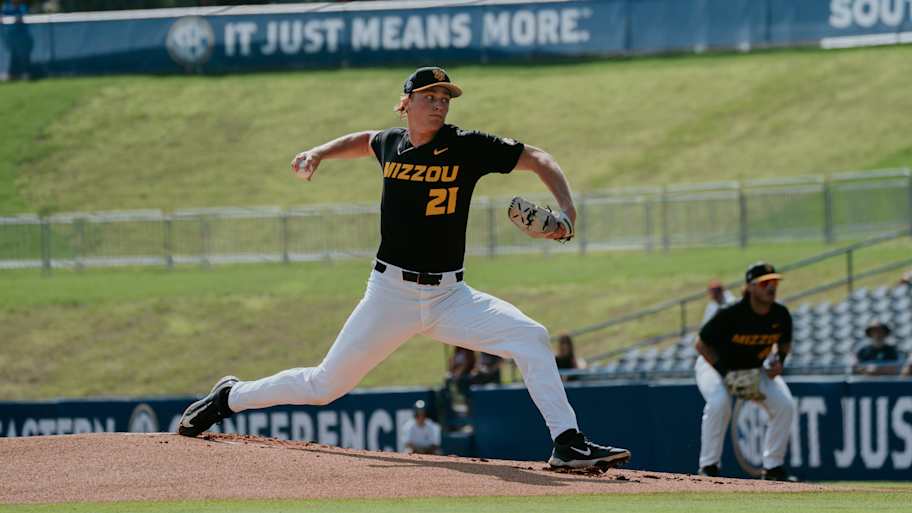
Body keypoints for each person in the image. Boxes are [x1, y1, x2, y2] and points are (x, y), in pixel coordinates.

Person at [176, 66, 630, 470]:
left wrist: (566, 214)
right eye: (430, 97)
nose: (439, 105)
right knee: (324, 386)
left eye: (445, 98)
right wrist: (318, 152)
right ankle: (229, 397)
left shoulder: (467, 147)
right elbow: (363, 141)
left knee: (531, 337)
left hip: (451, 297)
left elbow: (539, 158)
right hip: (389, 295)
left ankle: (566, 444)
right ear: (406, 103)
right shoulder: (391, 144)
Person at [693, 262, 797, 481]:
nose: (771, 287)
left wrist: (780, 362)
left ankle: (773, 467)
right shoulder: (731, 314)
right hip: (715, 366)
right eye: (764, 283)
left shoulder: (780, 314)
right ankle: (709, 466)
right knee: (720, 402)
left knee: (785, 405)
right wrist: (725, 374)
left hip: (753, 369)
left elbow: (784, 344)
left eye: (774, 282)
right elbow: (701, 345)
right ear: (750, 287)